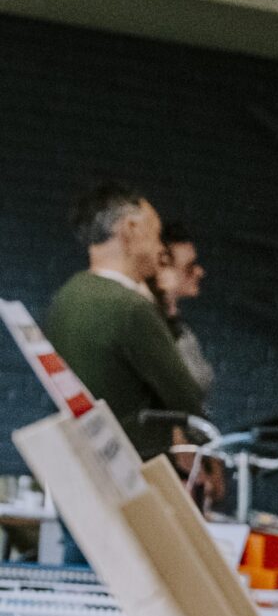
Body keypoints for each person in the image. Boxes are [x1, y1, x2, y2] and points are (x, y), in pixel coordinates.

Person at [42, 182, 204, 460]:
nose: (159, 250)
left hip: (83, 459)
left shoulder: (65, 297)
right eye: (155, 235)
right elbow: (186, 397)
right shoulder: (130, 308)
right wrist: (208, 459)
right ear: (130, 229)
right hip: (137, 465)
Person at [153, 217, 215, 397]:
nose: (199, 272)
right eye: (189, 267)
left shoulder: (179, 327)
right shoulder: (151, 329)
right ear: (162, 269)